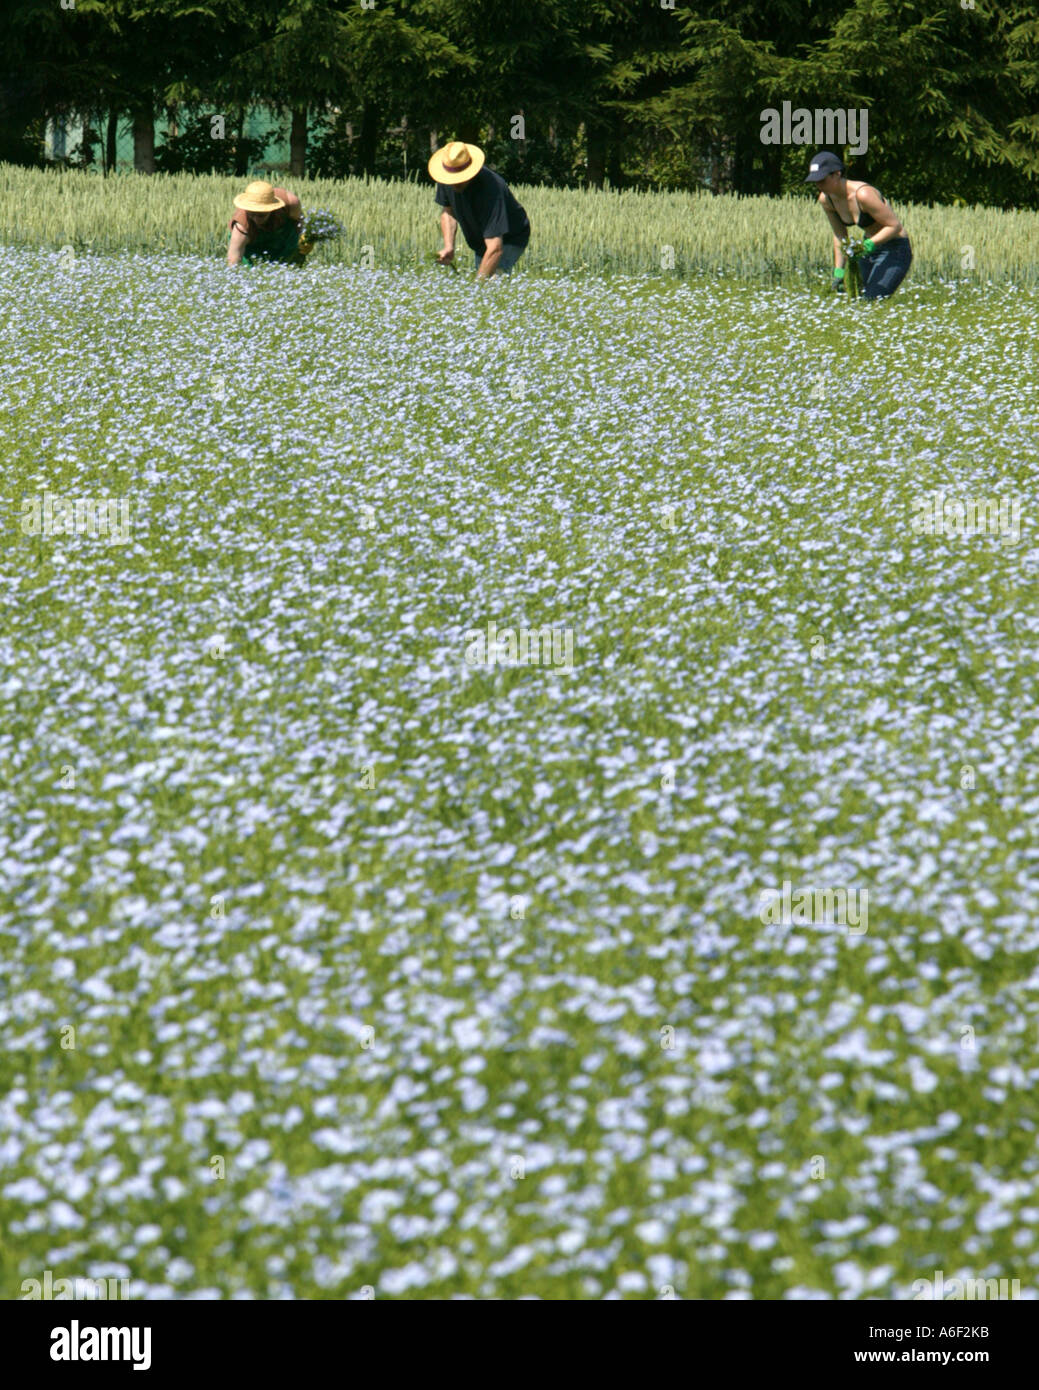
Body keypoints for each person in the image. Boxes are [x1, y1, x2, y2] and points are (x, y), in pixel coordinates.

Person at [805, 151, 912, 299]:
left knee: (872, 299)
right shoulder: (826, 200)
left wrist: (867, 245)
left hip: (894, 248)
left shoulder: (863, 195)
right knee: (855, 297)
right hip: (866, 250)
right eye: (815, 181)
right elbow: (839, 235)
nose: (819, 185)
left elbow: (894, 226)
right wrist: (839, 270)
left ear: (837, 174)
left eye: (822, 180)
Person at [429, 141, 530, 279]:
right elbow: (448, 212)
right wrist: (449, 246)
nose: (455, 183)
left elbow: (495, 248)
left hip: (510, 237)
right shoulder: (447, 177)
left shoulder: (491, 189)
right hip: (481, 240)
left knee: (493, 280)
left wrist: (477, 289)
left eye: (459, 178)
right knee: (483, 277)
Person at [227, 181, 307, 267]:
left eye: (261, 215)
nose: (256, 219)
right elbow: (233, 261)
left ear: (272, 209)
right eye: (251, 214)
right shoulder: (241, 227)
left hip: (281, 240)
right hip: (252, 247)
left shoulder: (291, 204)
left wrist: (303, 239)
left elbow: (299, 222)